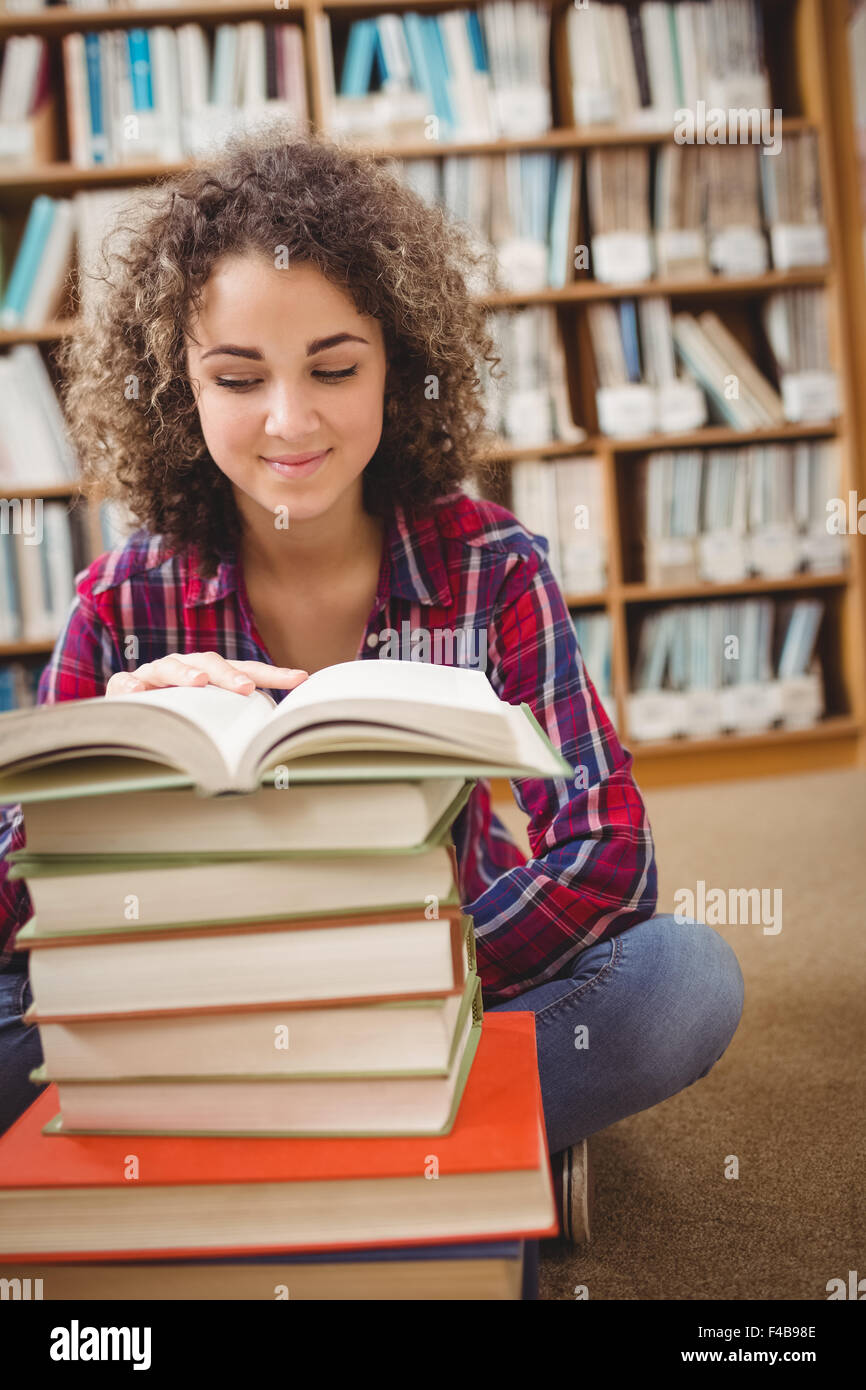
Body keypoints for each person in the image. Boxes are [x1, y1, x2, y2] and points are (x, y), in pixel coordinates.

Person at [0, 127, 743, 1243]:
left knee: (681, 980)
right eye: (237, 378)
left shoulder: (493, 567)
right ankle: (430, 1151)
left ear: (397, 364)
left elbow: (606, 850)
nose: (289, 421)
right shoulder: (119, 599)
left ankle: (270, 1148)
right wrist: (117, 739)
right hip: (192, 1010)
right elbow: (19, 906)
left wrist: (398, 981)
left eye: (334, 368)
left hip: (442, 991)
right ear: (176, 388)